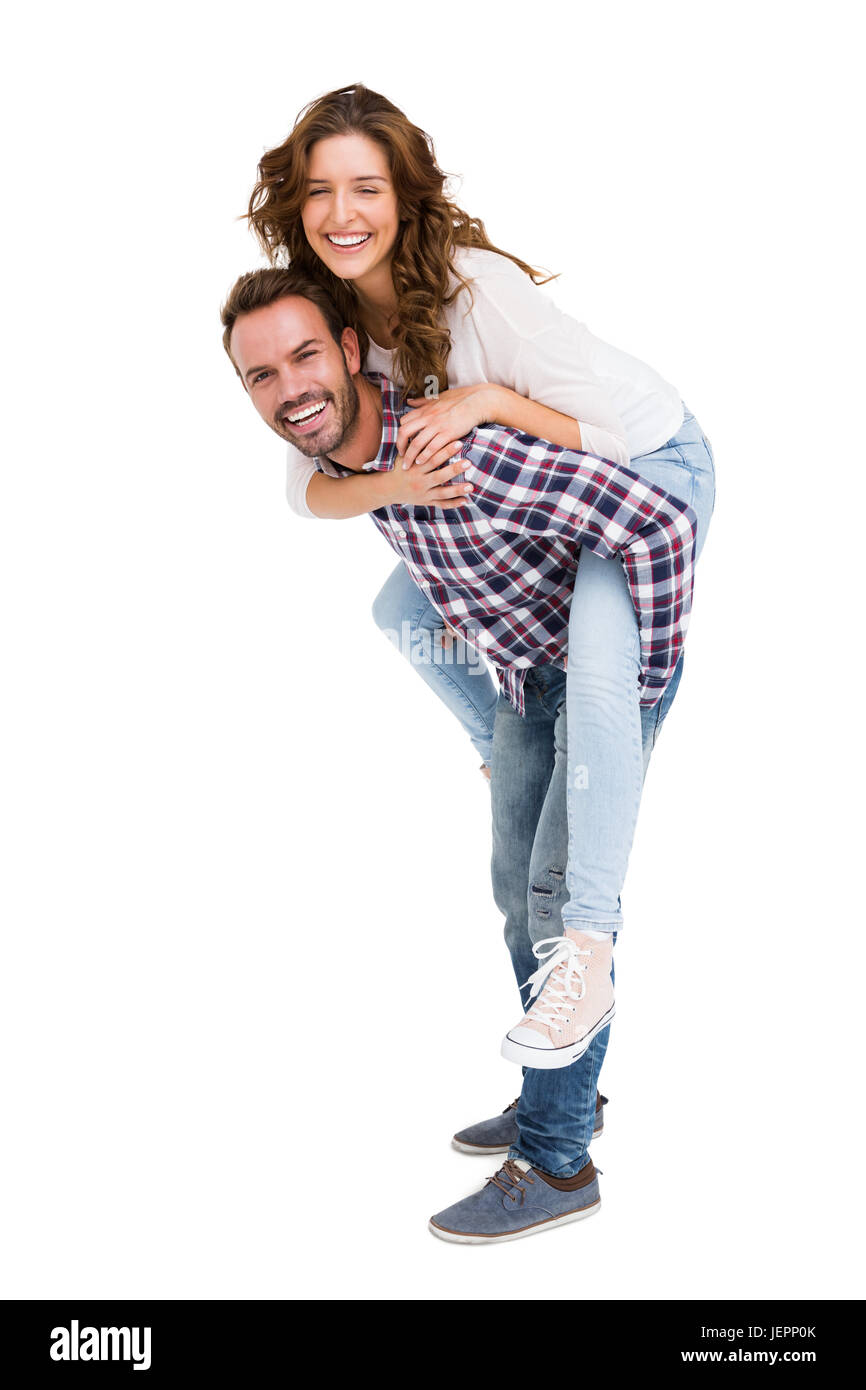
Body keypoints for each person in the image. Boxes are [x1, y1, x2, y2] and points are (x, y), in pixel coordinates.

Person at [219, 267, 713, 1239]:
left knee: (558, 900)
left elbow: (656, 520)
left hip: (601, 676)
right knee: (510, 890)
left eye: (305, 355)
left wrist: (624, 689)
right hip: (526, 677)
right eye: (261, 375)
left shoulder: (462, 450)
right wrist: (497, 724)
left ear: (352, 351)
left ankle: (558, 1158)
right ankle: (556, 1092)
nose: (288, 388)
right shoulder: (354, 468)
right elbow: (360, 545)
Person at [245, 86, 717, 1042]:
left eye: (366, 188)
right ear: (294, 207)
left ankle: (585, 950)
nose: (343, 215)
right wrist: (396, 491)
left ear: (404, 196)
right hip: (545, 479)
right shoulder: (328, 316)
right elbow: (305, 485)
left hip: (645, 459)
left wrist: (492, 398)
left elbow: (607, 438)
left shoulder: (471, 286)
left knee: (593, 679)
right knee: (398, 607)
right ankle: (497, 745)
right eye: (320, 192)